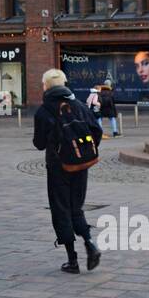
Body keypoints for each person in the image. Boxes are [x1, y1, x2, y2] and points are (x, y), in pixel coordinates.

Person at [32, 69, 103, 275]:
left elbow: (39, 144)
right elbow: (96, 131)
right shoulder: (79, 105)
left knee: (61, 208)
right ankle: (90, 243)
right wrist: (82, 151)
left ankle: (73, 260)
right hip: (81, 165)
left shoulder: (44, 111)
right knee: (76, 206)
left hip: (57, 167)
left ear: (46, 86)